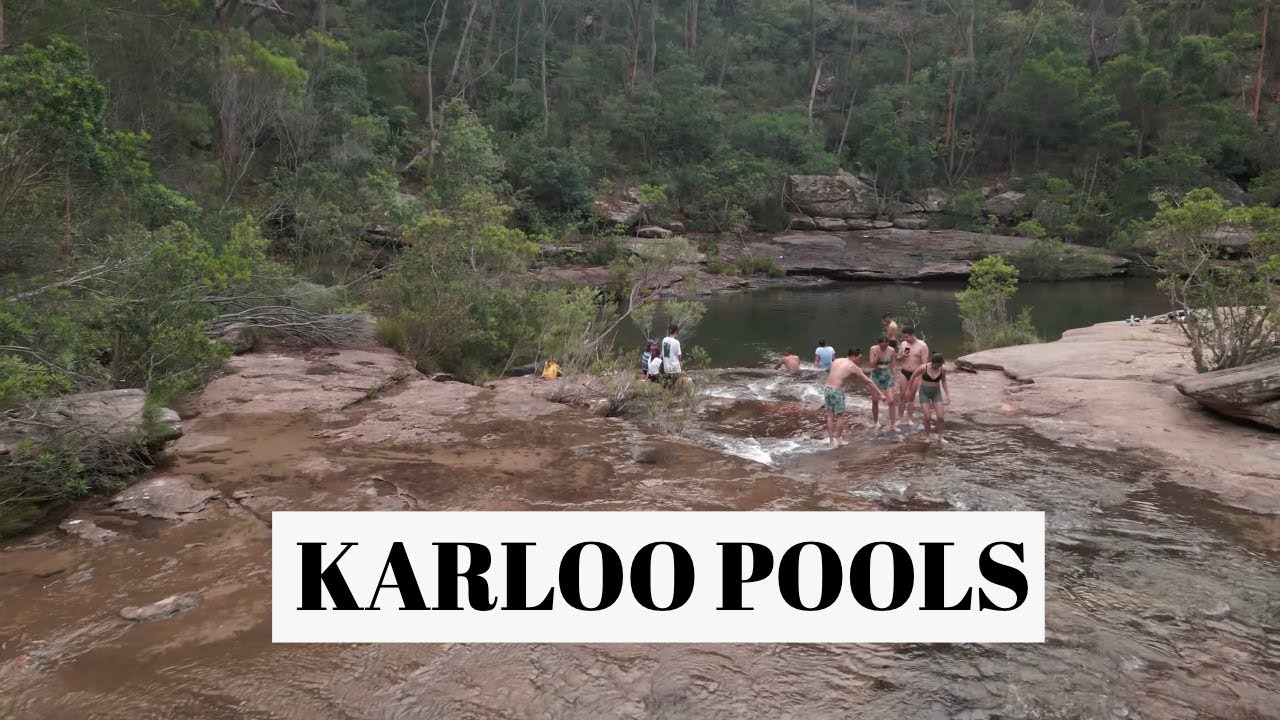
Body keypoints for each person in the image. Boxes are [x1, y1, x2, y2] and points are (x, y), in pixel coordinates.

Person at [823, 348, 886, 447]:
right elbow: (869, 381)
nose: (859, 360)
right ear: (853, 356)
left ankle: (831, 440)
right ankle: (838, 439)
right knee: (840, 416)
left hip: (827, 389)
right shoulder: (853, 366)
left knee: (830, 416)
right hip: (836, 391)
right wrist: (880, 394)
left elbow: (835, 373)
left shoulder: (837, 360)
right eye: (858, 358)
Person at [908, 352, 951, 444]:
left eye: (940, 364)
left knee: (941, 417)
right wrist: (909, 390)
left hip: (936, 393)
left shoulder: (942, 369)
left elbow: (944, 381)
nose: (939, 366)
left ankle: (941, 437)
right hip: (924, 393)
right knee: (927, 417)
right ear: (933, 362)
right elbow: (912, 377)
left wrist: (947, 395)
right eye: (937, 365)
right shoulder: (924, 368)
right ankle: (927, 437)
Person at [896, 327, 929, 426]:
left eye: (907, 337)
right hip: (904, 371)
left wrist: (922, 377)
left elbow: (924, 364)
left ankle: (909, 419)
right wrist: (902, 357)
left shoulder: (922, 346)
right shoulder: (903, 344)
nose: (905, 339)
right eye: (904, 337)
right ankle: (900, 418)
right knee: (902, 396)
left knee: (911, 397)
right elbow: (897, 358)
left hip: (916, 373)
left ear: (913, 334)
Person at [868, 336, 899, 431]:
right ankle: (875, 422)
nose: (884, 348)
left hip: (887, 375)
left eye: (885, 346)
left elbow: (893, 366)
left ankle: (893, 424)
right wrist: (877, 355)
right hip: (876, 375)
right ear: (879, 344)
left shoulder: (891, 350)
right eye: (882, 346)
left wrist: (896, 380)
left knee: (891, 401)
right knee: (875, 400)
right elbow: (872, 365)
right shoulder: (873, 349)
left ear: (888, 344)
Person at [660, 323, 683, 388]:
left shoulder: (664, 340)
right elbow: (679, 356)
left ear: (669, 331)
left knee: (668, 385)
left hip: (666, 367)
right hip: (674, 368)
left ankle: (667, 394)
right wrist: (680, 362)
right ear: (676, 331)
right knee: (674, 385)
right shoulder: (676, 342)